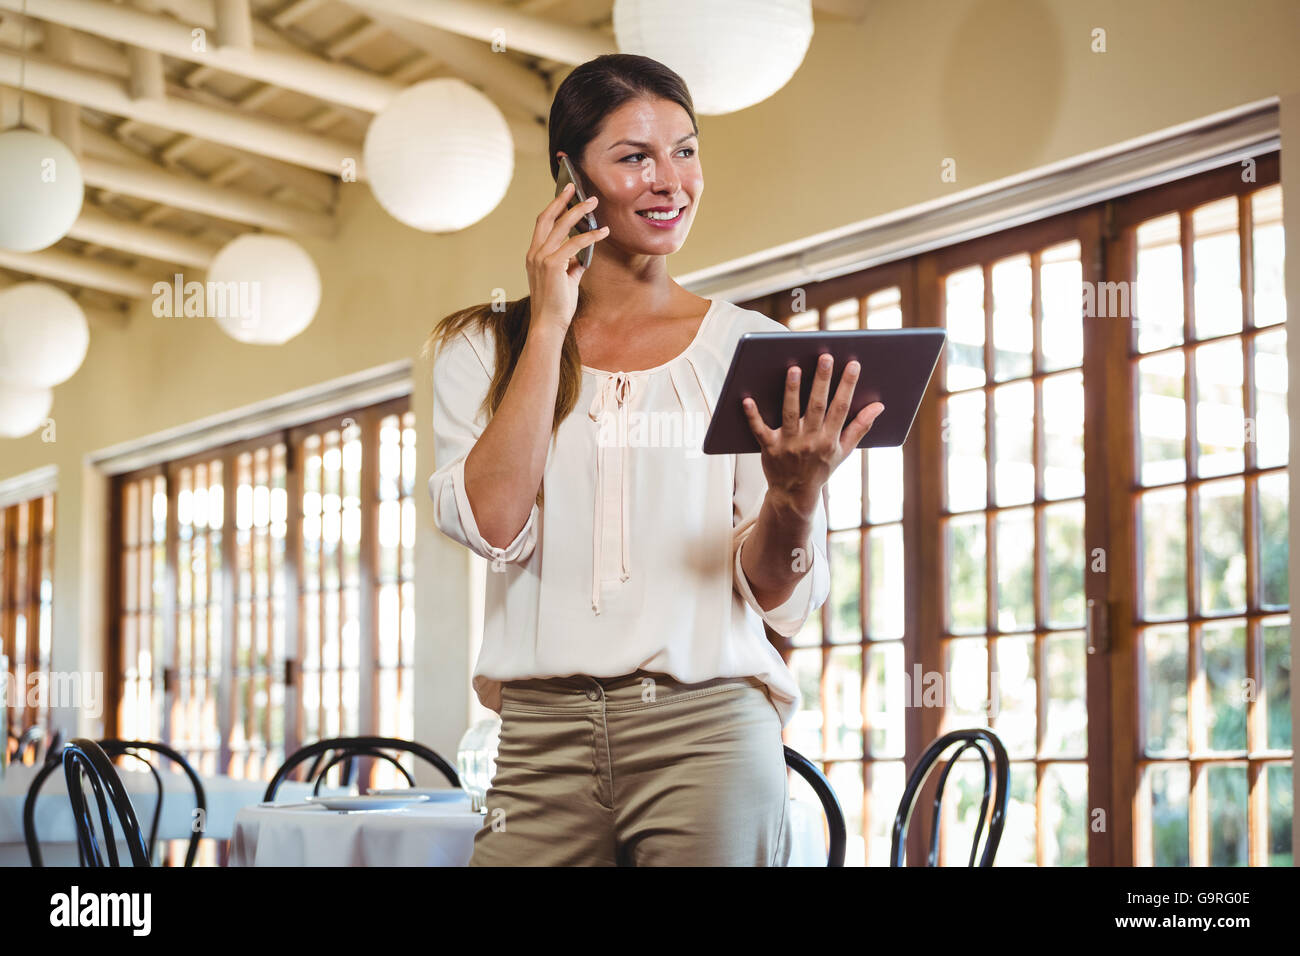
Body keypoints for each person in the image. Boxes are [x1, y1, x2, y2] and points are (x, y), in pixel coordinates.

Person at [425, 53, 884, 866]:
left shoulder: (754, 349)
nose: (670, 180)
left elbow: (775, 594)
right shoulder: (482, 348)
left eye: (686, 149)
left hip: (707, 732)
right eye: (635, 157)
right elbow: (493, 525)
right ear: (570, 176)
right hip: (537, 741)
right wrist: (549, 325)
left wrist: (797, 497)